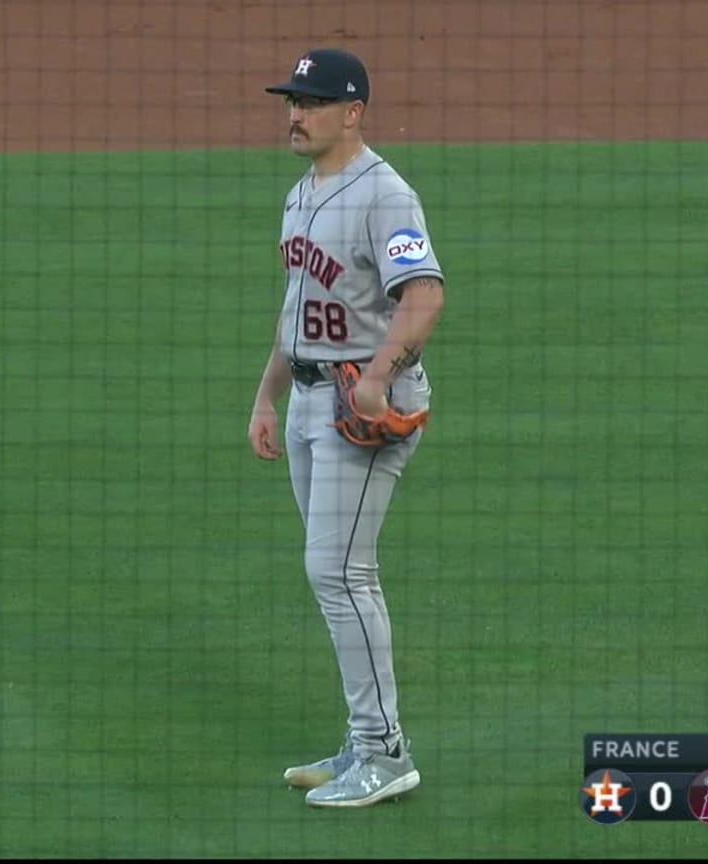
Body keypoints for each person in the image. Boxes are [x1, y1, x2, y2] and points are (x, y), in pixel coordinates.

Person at [247, 47, 446, 808]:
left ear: (353, 111)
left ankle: (385, 755)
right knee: (335, 575)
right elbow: (298, 310)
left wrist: (378, 375)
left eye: (313, 101)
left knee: (339, 574)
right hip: (306, 400)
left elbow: (423, 295)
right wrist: (266, 398)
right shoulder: (301, 195)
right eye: (292, 101)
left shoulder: (386, 195)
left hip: (358, 409)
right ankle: (362, 740)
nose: (295, 114)